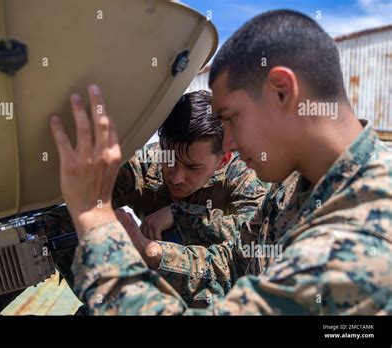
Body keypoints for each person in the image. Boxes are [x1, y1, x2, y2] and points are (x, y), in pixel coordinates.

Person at [50, 10, 392, 315]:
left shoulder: (362, 236)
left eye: (230, 118)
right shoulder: (297, 188)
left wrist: (94, 223)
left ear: (282, 92)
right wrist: (152, 253)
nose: (227, 144)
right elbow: (231, 266)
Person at [46, 90, 268, 308]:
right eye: (169, 159)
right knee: (56, 225)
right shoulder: (145, 163)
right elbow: (79, 207)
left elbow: (256, 233)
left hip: (215, 290)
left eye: (192, 167)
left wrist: (180, 215)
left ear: (223, 159)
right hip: (143, 293)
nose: (176, 177)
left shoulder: (243, 171)